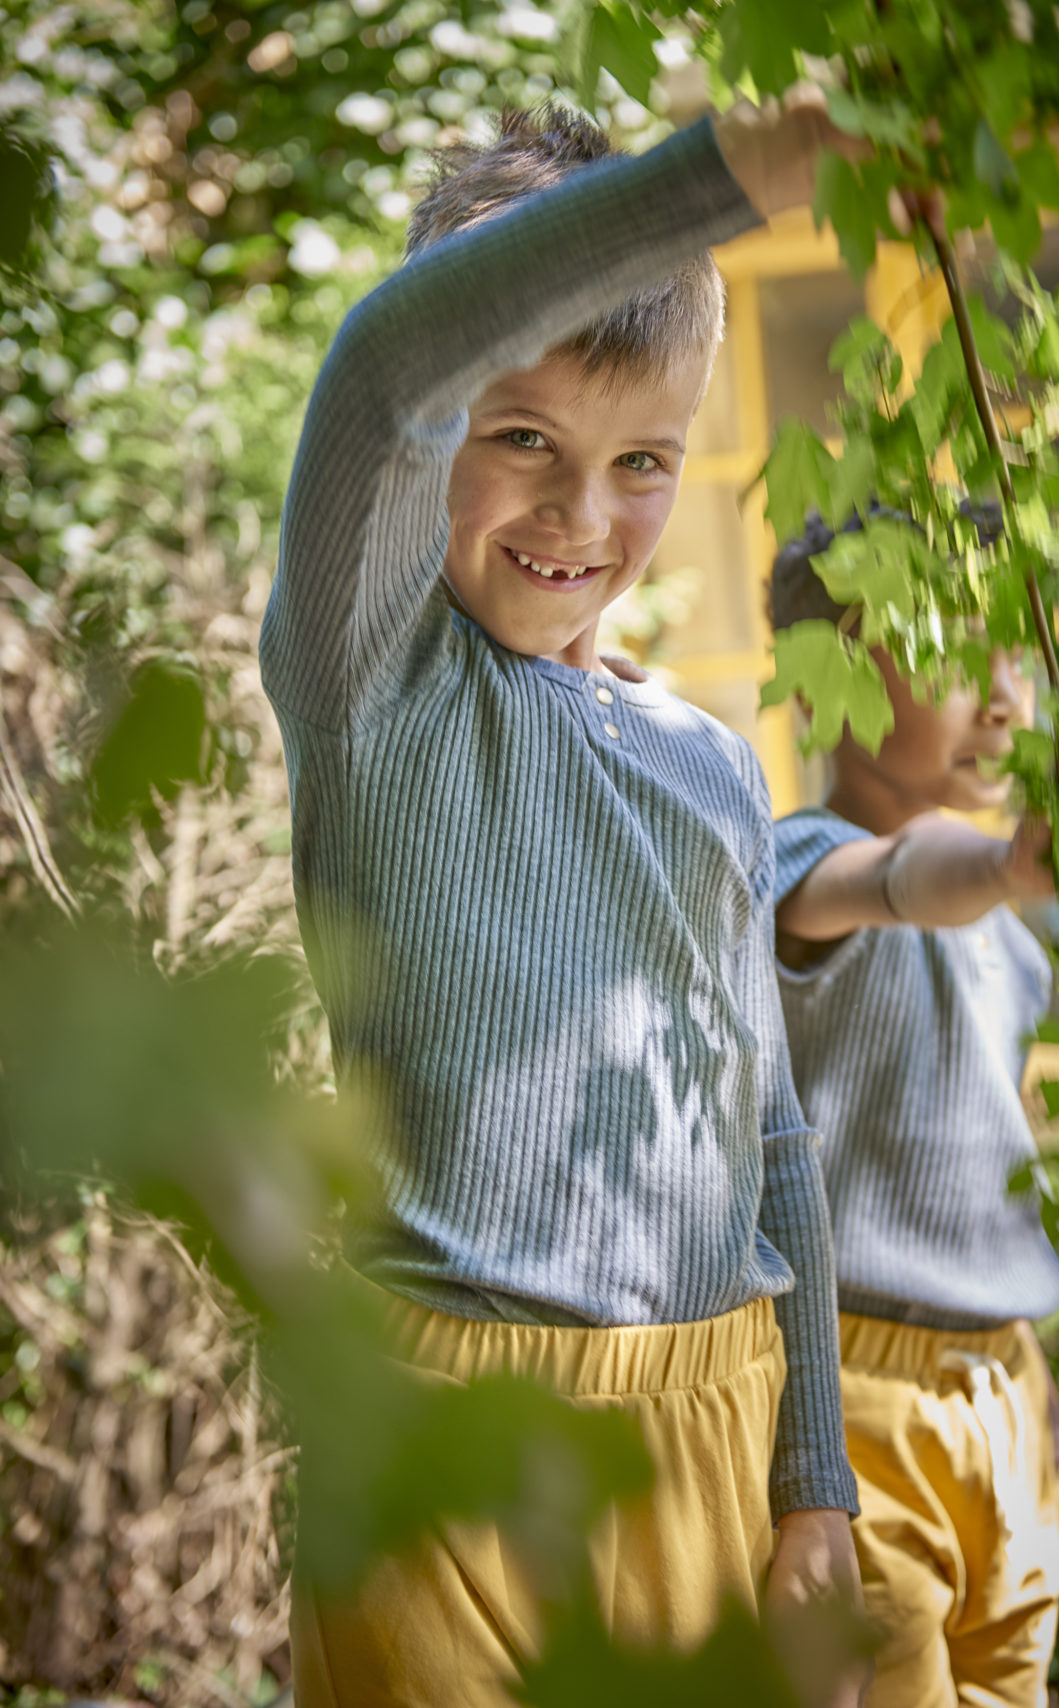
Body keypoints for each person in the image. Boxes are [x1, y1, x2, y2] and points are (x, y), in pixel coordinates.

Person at [261, 97, 867, 1708]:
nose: (580, 516)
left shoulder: (714, 769)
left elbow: (776, 1140)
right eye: (522, 436)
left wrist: (814, 1473)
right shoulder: (366, 681)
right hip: (447, 1445)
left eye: (644, 462)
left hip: (716, 1429)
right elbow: (390, 369)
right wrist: (720, 184)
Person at [768, 510, 1059, 1708]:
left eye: (1013, 655)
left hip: (1000, 1397)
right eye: (944, 649)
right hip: (854, 1411)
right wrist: (994, 868)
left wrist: (1044, 1400)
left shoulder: (1011, 944)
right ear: (819, 693)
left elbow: (982, 1197)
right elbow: (892, 878)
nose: (1001, 694)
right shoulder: (801, 865)